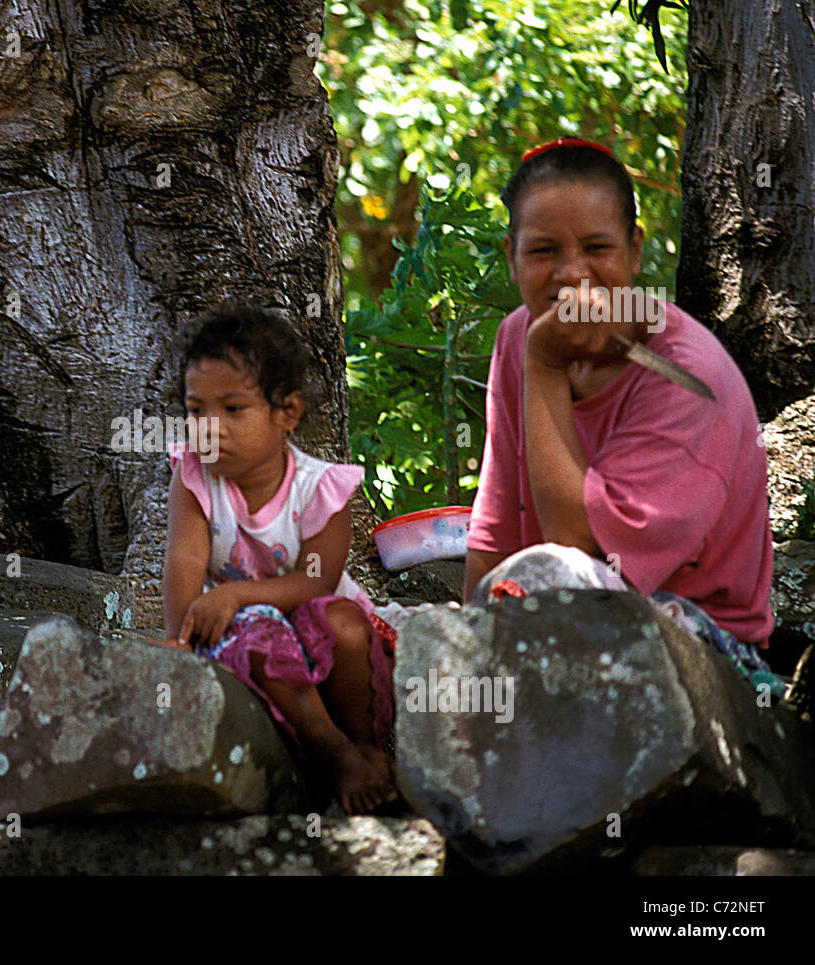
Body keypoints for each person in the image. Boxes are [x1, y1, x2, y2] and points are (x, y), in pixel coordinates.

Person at [464, 138, 779, 689]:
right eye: (543, 252)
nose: (571, 273)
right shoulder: (519, 335)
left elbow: (576, 549)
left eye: (596, 248)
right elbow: (493, 532)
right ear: (512, 255)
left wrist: (543, 365)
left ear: (634, 251)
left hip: (705, 649)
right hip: (560, 610)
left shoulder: (684, 375)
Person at [159, 302, 398, 813]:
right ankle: (330, 752)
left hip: (311, 622)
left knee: (345, 624)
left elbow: (318, 581)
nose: (209, 428)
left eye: (233, 409)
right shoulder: (194, 478)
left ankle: (365, 749)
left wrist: (236, 592)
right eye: (196, 410)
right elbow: (183, 567)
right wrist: (182, 635)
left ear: (287, 413)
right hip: (246, 635)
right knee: (260, 628)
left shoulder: (321, 488)